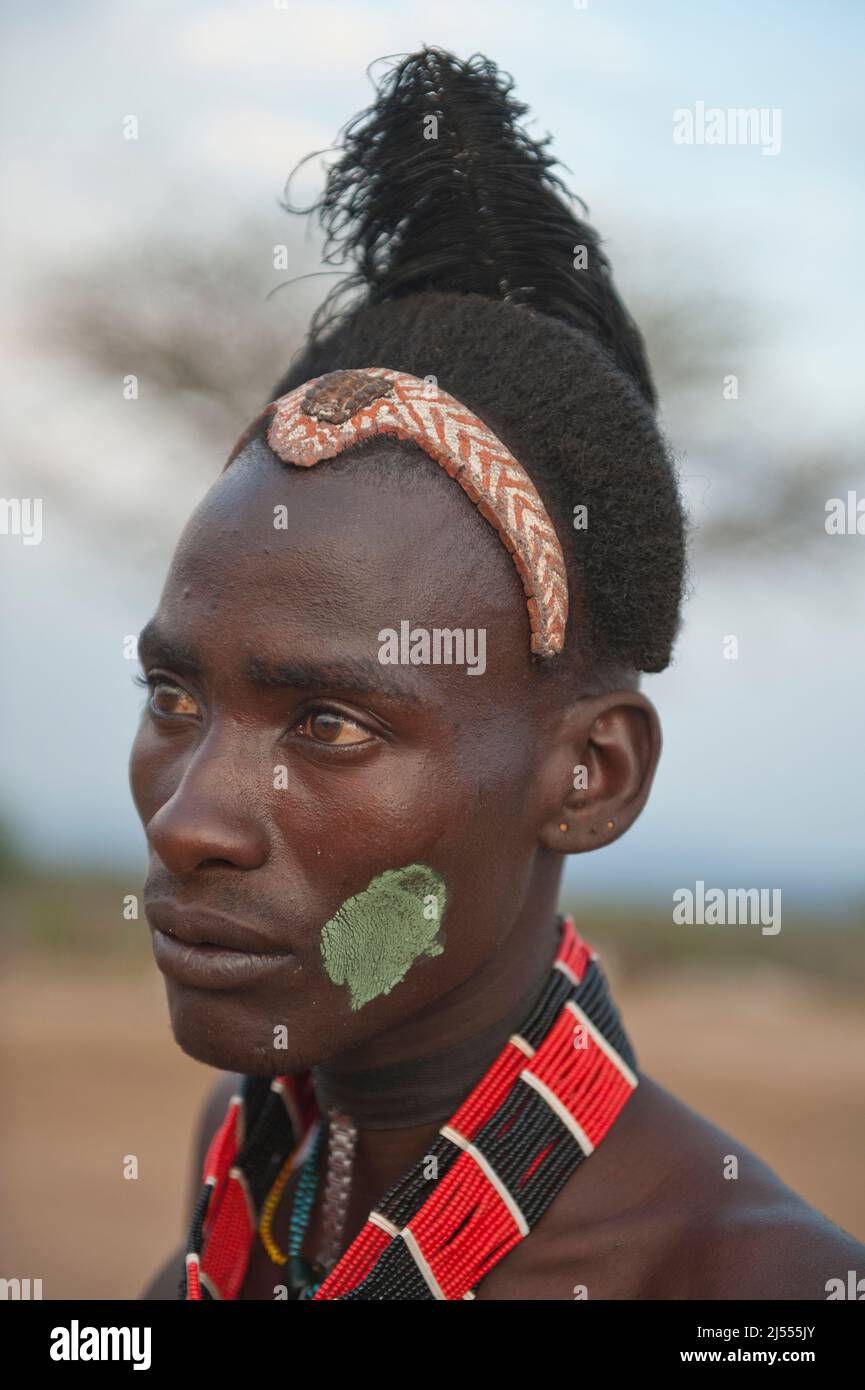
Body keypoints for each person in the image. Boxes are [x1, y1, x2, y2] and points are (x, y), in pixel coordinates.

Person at [132, 47, 864, 1300]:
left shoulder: (753, 1294)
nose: (190, 817)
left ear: (590, 773)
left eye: (328, 721)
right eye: (175, 698)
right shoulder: (252, 1168)